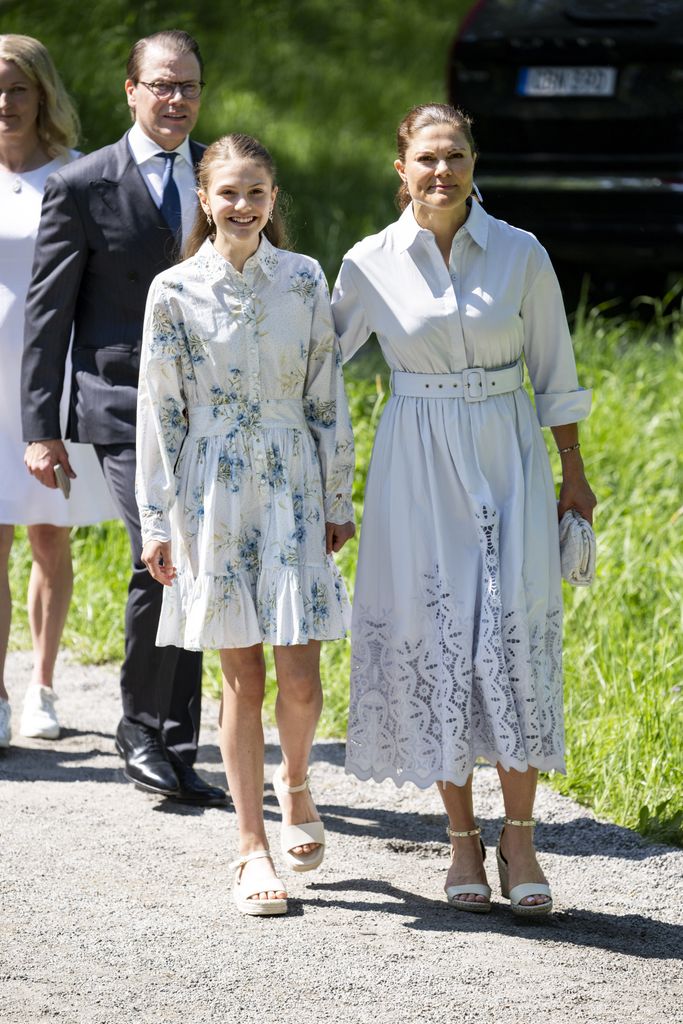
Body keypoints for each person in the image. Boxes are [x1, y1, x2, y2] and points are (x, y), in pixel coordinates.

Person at [331, 103, 596, 917]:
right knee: (440, 638)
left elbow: (554, 369)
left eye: (453, 156)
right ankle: (459, 845)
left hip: (508, 455)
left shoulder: (521, 254)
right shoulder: (368, 263)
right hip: (416, 468)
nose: (439, 172)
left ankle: (520, 838)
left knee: (512, 638)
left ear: (472, 161)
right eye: (424, 159)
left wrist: (573, 473)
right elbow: (314, 365)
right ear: (399, 168)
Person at [136, 133, 355, 915]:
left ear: (272, 199)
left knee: (299, 672)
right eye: (227, 191)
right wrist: (156, 519)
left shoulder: (302, 278)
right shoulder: (173, 289)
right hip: (213, 490)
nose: (241, 205)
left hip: (294, 482)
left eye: (255, 191)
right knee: (241, 674)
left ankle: (296, 783)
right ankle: (249, 846)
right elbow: (159, 410)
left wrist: (338, 494)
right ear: (204, 197)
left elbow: (326, 392)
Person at [21, 30, 226, 805]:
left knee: (193, 567)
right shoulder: (80, 184)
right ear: (131, 91)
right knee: (160, 556)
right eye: (163, 85)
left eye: (190, 88)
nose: (177, 100)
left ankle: (178, 744)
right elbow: (49, 316)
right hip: (117, 406)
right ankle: (138, 730)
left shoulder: (220, 174)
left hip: (208, 411)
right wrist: (40, 428)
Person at [0, 34, 115, 749]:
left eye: (16, 88)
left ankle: (42, 686)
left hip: (49, 376)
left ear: (43, 95)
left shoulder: (77, 177)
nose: (4, 103)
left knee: (48, 534)